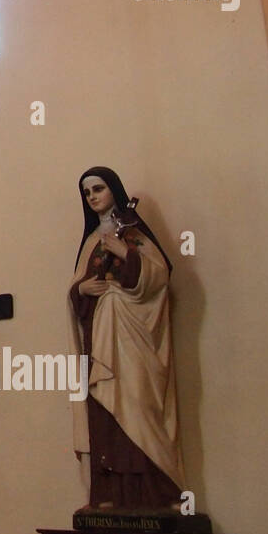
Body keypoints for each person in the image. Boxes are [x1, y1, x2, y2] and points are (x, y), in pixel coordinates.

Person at [68, 167, 185, 510]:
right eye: (86, 192)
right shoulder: (90, 241)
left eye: (98, 188)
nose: (92, 197)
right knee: (106, 408)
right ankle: (108, 494)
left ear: (114, 190)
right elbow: (75, 292)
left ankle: (160, 492)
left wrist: (123, 251)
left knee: (139, 404)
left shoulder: (131, 232)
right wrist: (81, 290)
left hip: (135, 338)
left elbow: (158, 276)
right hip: (101, 336)